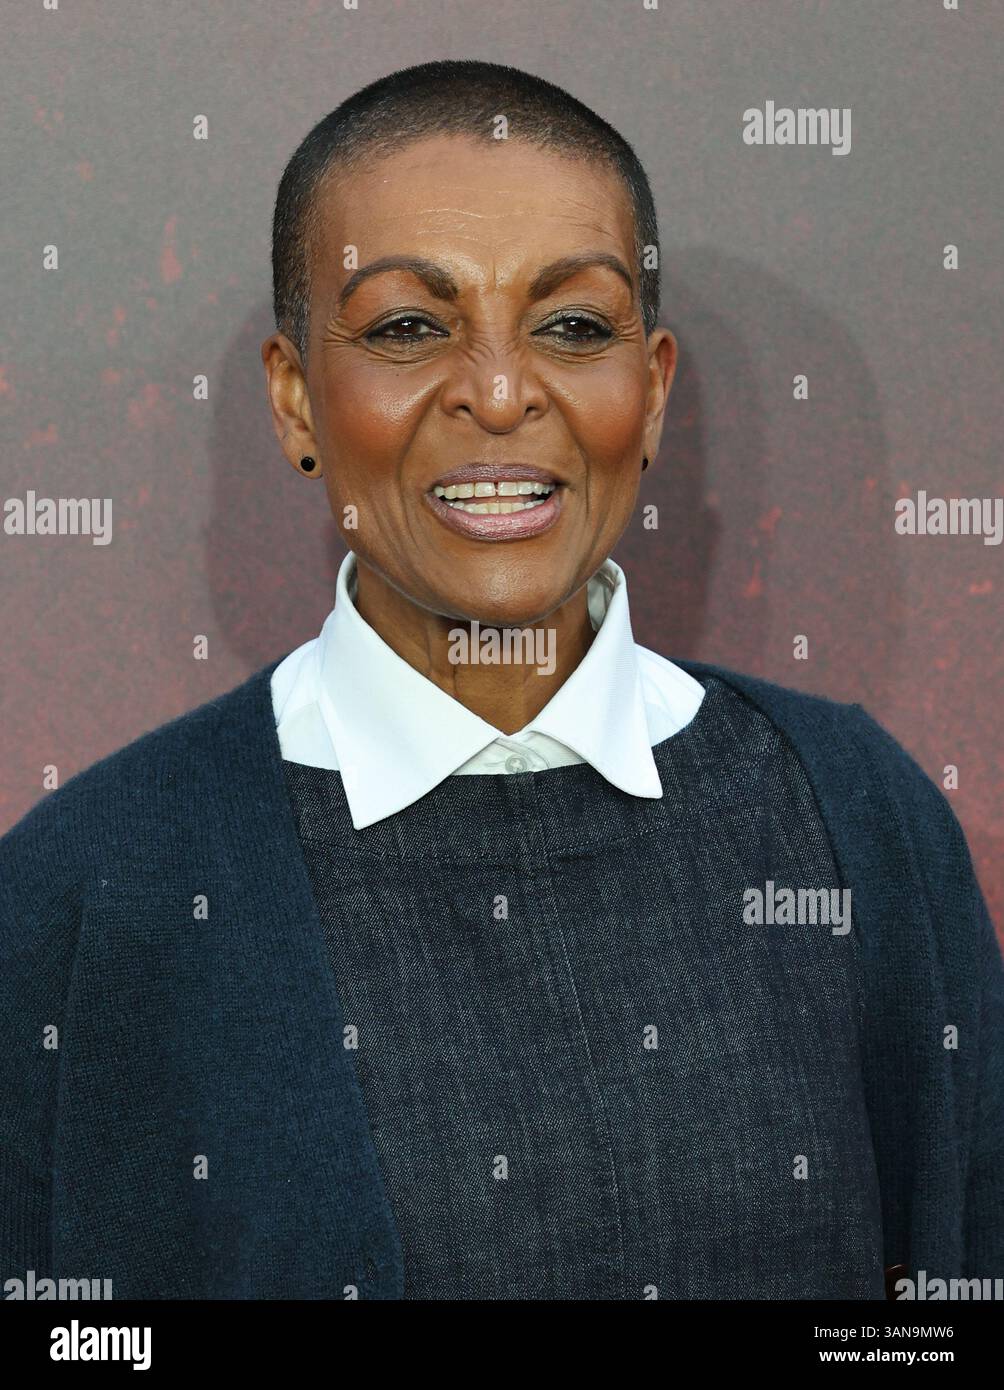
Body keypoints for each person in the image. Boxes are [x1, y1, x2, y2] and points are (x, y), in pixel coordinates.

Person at [2, 60, 1001, 1302]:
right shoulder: (88, 895)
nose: (495, 392)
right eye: (407, 328)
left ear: (651, 393)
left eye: (572, 326)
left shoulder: (857, 820)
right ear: (296, 399)